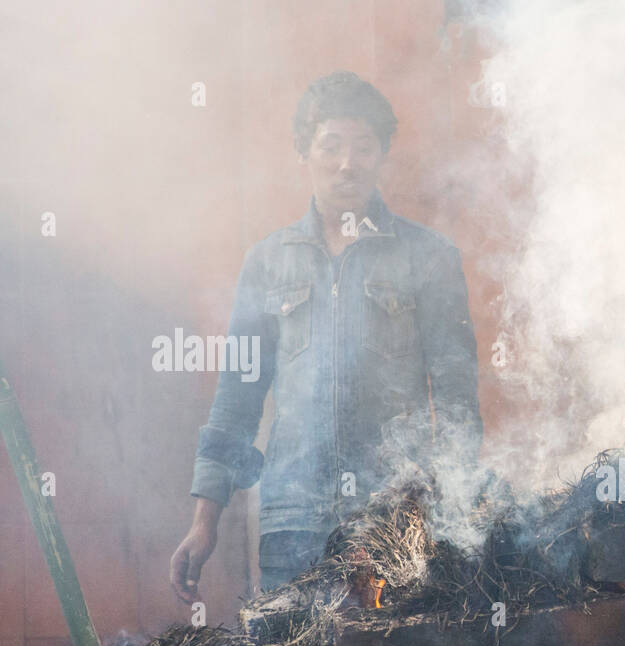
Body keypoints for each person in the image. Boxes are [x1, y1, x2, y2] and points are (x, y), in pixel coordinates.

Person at [169, 71, 482, 602]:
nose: (347, 162)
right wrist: (205, 521)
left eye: (364, 146)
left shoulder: (428, 257)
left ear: (382, 155)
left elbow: (456, 398)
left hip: (393, 521)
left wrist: (456, 509)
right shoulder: (267, 262)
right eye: (331, 145)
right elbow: (237, 401)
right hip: (291, 524)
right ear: (304, 152)